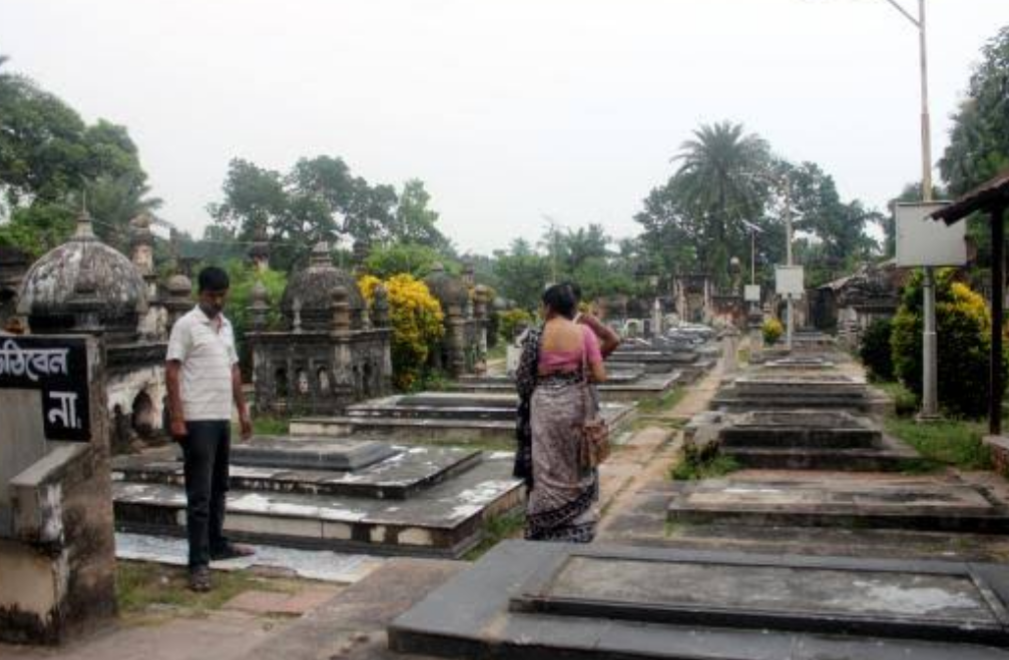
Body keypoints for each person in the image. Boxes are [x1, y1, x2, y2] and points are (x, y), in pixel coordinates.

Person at [166, 266, 254, 592]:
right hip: (196, 418)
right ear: (200, 293)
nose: (218, 302)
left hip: (220, 417)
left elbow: (233, 370)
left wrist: (242, 411)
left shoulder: (226, 326)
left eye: (222, 296)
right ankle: (198, 562)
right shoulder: (186, 325)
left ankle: (217, 545)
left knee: (219, 487)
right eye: (212, 296)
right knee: (199, 494)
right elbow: (172, 371)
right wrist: (177, 416)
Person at [516, 283, 607, 542]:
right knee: (575, 462)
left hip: (544, 405)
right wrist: (575, 376)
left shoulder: (535, 335)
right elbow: (600, 375)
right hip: (575, 405)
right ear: (572, 307)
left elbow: (523, 380)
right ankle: (579, 526)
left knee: (545, 464)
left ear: (549, 307)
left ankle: (544, 527)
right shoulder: (584, 333)